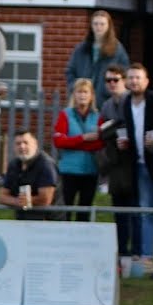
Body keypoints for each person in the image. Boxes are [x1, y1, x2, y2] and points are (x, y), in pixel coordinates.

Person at [0, 131, 63, 305]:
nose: (22, 147)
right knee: (26, 274)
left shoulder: (45, 164)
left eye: (26, 142)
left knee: (37, 275)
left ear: (36, 143)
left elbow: (46, 198)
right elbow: (2, 196)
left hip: (47, 227)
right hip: (25, 227)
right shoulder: (15, 165)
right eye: (18, 143)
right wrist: (20, 202)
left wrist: (24, 201)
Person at [119, 64, 153, 274]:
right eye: (131, 78)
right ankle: (147, 258)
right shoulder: (126, 102)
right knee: (145, 211)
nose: (134, 81)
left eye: (138, 78)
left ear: (147, 81)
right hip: (138, 162)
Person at [98, 65, 136, 268]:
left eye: (116, 80)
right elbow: (103, 132)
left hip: (132, 163)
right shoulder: (106, 105)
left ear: (124, 81)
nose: (112, 84)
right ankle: (122, 253)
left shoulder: (131, 101)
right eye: (108, 80)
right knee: (118, 210)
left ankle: (136, 254)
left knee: (135, 209)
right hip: (115, 164)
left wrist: (115, 129)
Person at [52, 79, 104, 221]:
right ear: (74, 94)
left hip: (90, 170)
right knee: (67, 208)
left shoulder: (98, 116)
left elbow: (99, 143)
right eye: (79, 92)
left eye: (85, 92)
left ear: (92, 95)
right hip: (69, 170)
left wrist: (72, 142)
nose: (82, 95)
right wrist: (84, 138)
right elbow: (58, 141)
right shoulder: (65, 114)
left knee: (85, 209)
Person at [65, 11, 129, 105]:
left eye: (102, 24)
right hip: (82, 101)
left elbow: (125, 73)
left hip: (105, 101)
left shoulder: (117, 49)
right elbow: (70, 71)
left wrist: (109, 90)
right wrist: (76, 88)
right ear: (91, 26)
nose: (98, 27)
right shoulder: (81, 49)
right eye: (95, 24)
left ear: (108, 26)